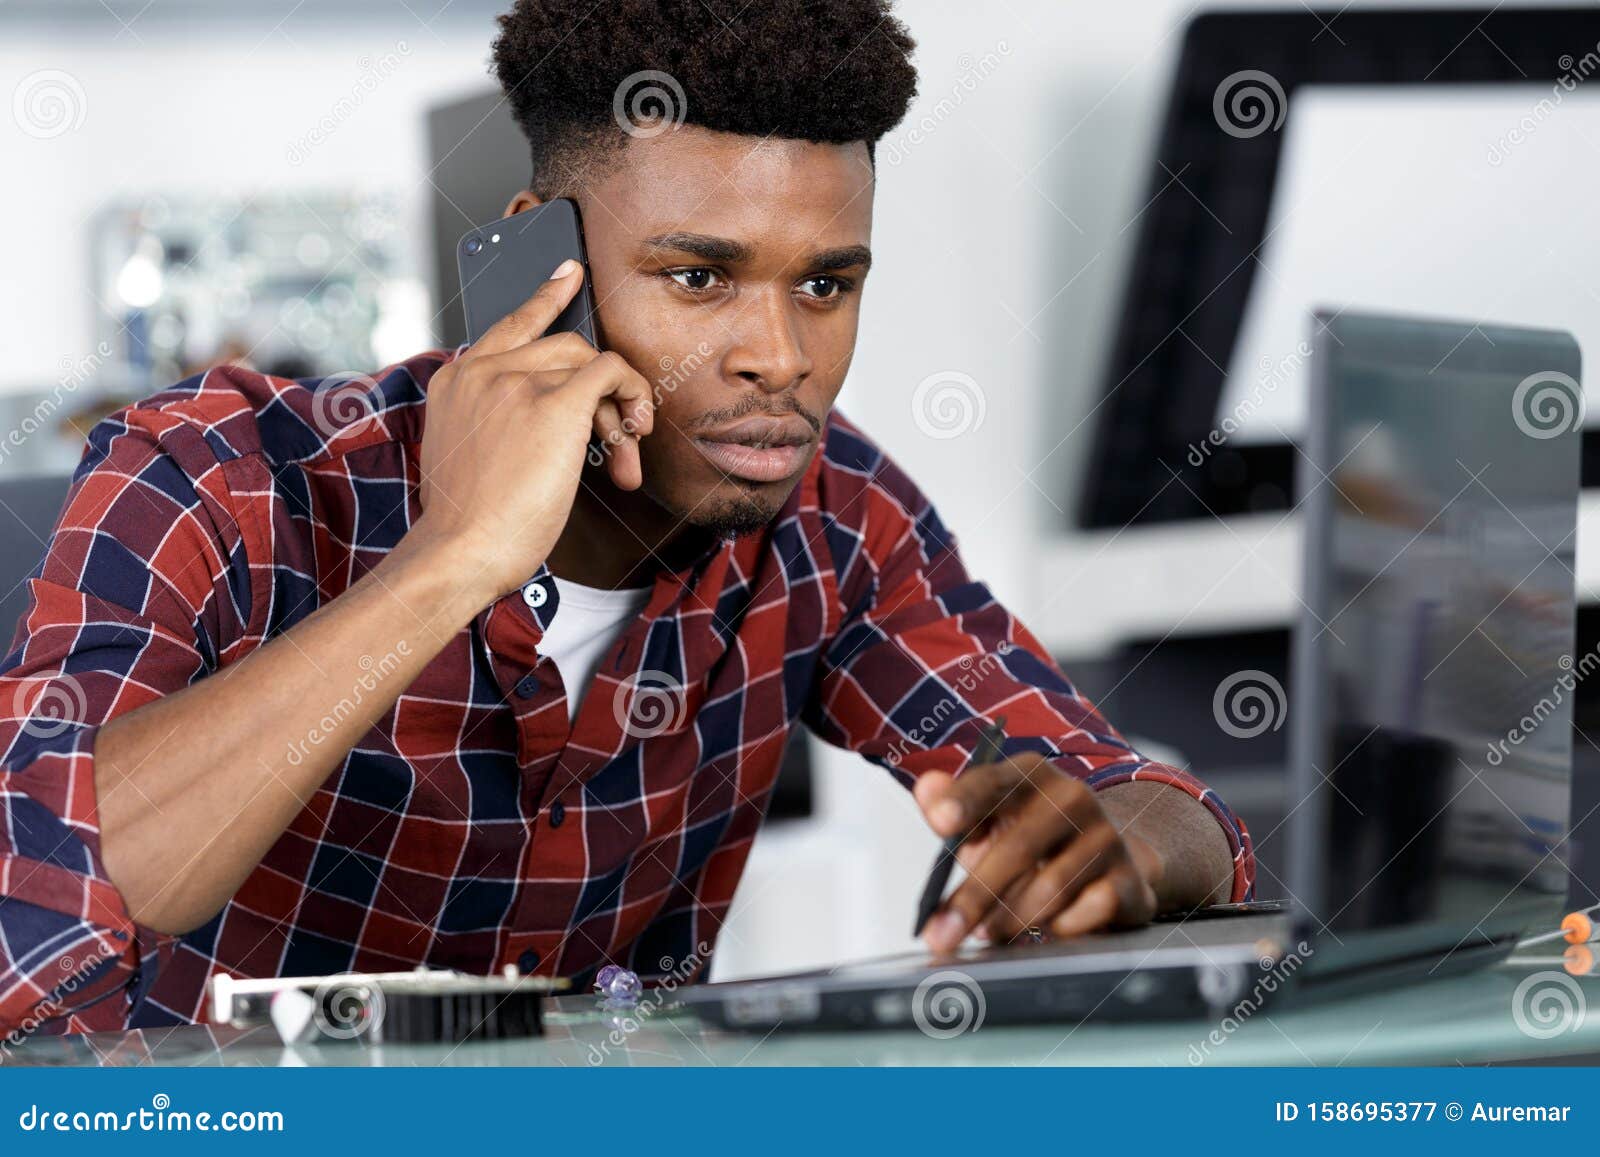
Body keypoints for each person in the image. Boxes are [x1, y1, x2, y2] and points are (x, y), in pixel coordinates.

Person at [0, 0, 1253, 1034]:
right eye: (698, 276)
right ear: (537, 270)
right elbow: (41, 913)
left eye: (825, 284)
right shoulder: (217, 474)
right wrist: (450, 560)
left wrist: (1125, 844)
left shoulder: (830, 514)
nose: (779, 356)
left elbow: (1142, 797)